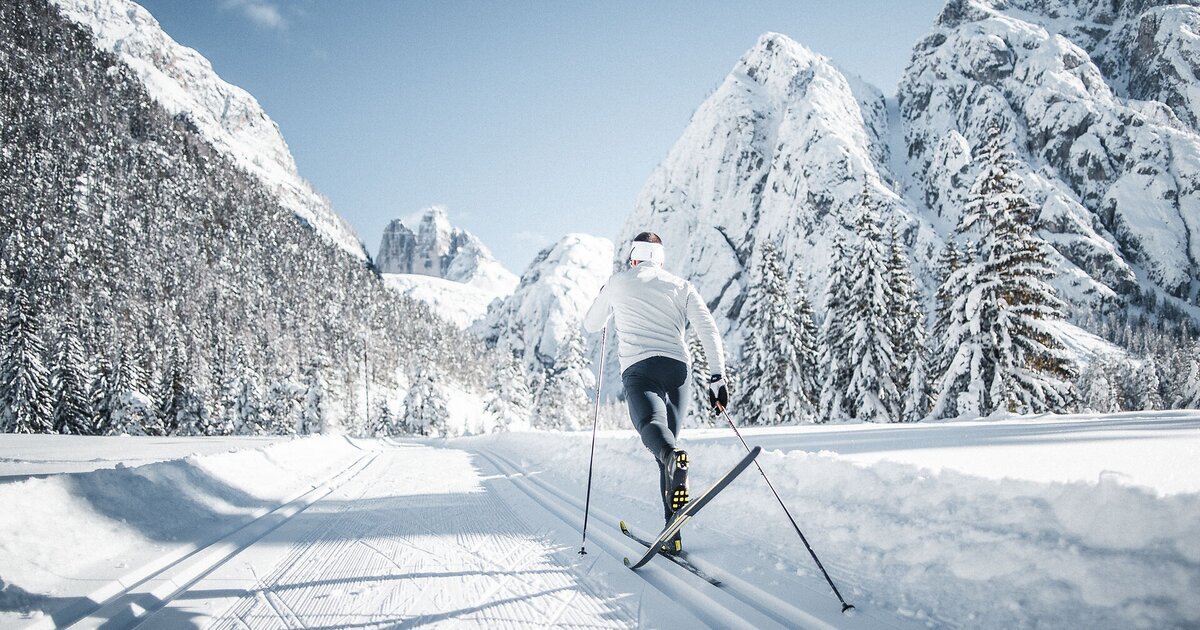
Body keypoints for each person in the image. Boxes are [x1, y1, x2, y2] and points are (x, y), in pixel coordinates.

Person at [583, 231, 729, 555]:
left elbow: (592, 323)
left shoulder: (619, 281)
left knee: (657, 436)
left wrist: (605, 295)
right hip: (678, 371)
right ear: (661, 259)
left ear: (633, 257)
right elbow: (708, 329)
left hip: (640, 370)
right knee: (669, 448)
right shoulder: (681, 286)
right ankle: (672, 532)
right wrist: (717, 378)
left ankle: (672, 486)